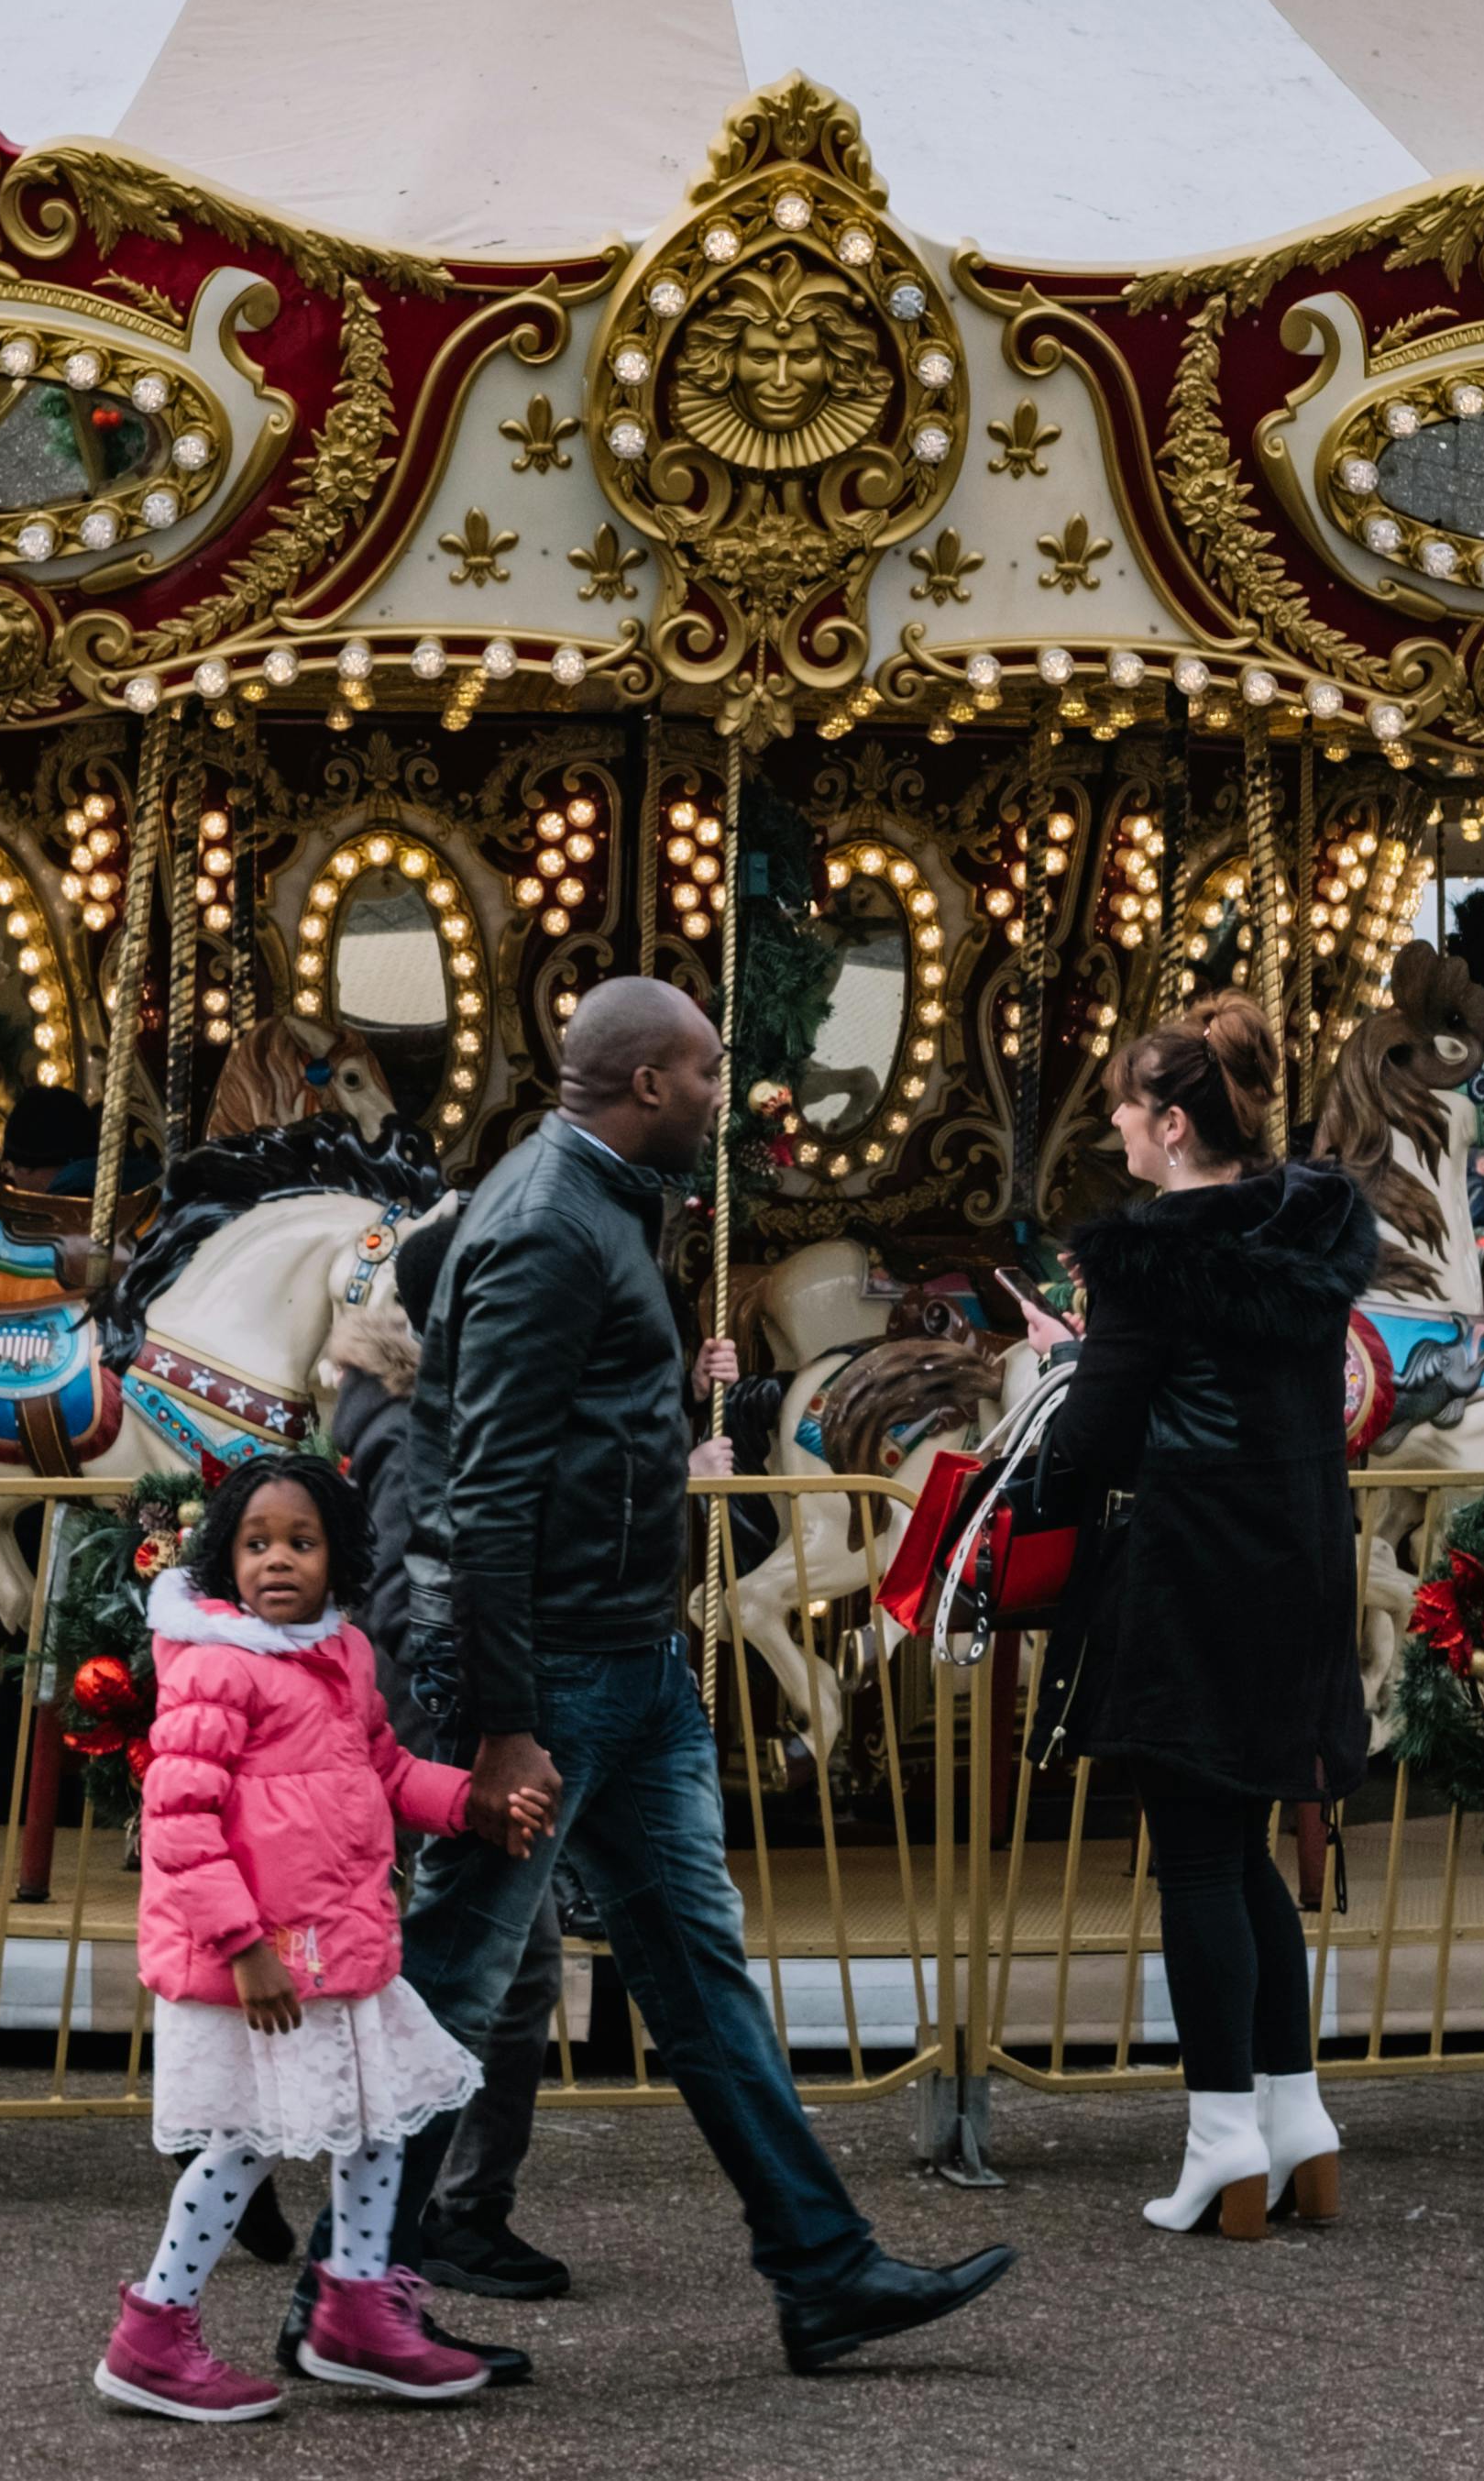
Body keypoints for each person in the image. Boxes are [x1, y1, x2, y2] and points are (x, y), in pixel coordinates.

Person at [380, 974, 1019, 2376]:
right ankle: (342, 2283)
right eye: (711, 1070)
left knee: (693, 1969)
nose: (726, 1092)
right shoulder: (551, 1224)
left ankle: (819, 2263)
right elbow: (484, 1484)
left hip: (623, 1648)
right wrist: (499, 1723)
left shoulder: (593, 1204)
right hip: (555, 1663)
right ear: (650, 1083)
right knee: (452, 1976)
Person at [102, 1451, 546, 2421]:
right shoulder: (219, 1664)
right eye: (257, 1541)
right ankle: (154, 2330)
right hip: (265, 1964)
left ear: (338, 1556)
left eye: (301, 1541)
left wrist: (467, 1804)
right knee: (248, 2142)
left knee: (380, 2121)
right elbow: (180, 1821)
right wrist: (244, 1944)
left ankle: (354, 2301)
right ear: (225, 1553)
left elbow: (382, 1766)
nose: (277, 1560)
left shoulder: (339, 1655)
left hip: (336, 1950)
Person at [1027, 994, 1371, 2240]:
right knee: (1244, 1846)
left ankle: (1217, 2132)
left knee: (1192, 1856)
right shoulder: (1310, 1228)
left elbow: (1093, 1444)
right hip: (1297, 1556)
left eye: (1125, 1101)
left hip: (1186, 1569)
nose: (1113, 1119)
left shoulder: (1151, 1254)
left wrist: (1061, 1371)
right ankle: (1295, 2120)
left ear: (1171, 1123)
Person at [322, 1216, 571, 2306]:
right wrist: (456, 1746)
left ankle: (422, 2212)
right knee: (492, 1976)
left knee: (488, 1972)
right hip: (443, 1731)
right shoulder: (419, 1416)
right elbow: (407, 1589)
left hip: (436, 1725)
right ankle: (432, 2218)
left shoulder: (421, 1402)